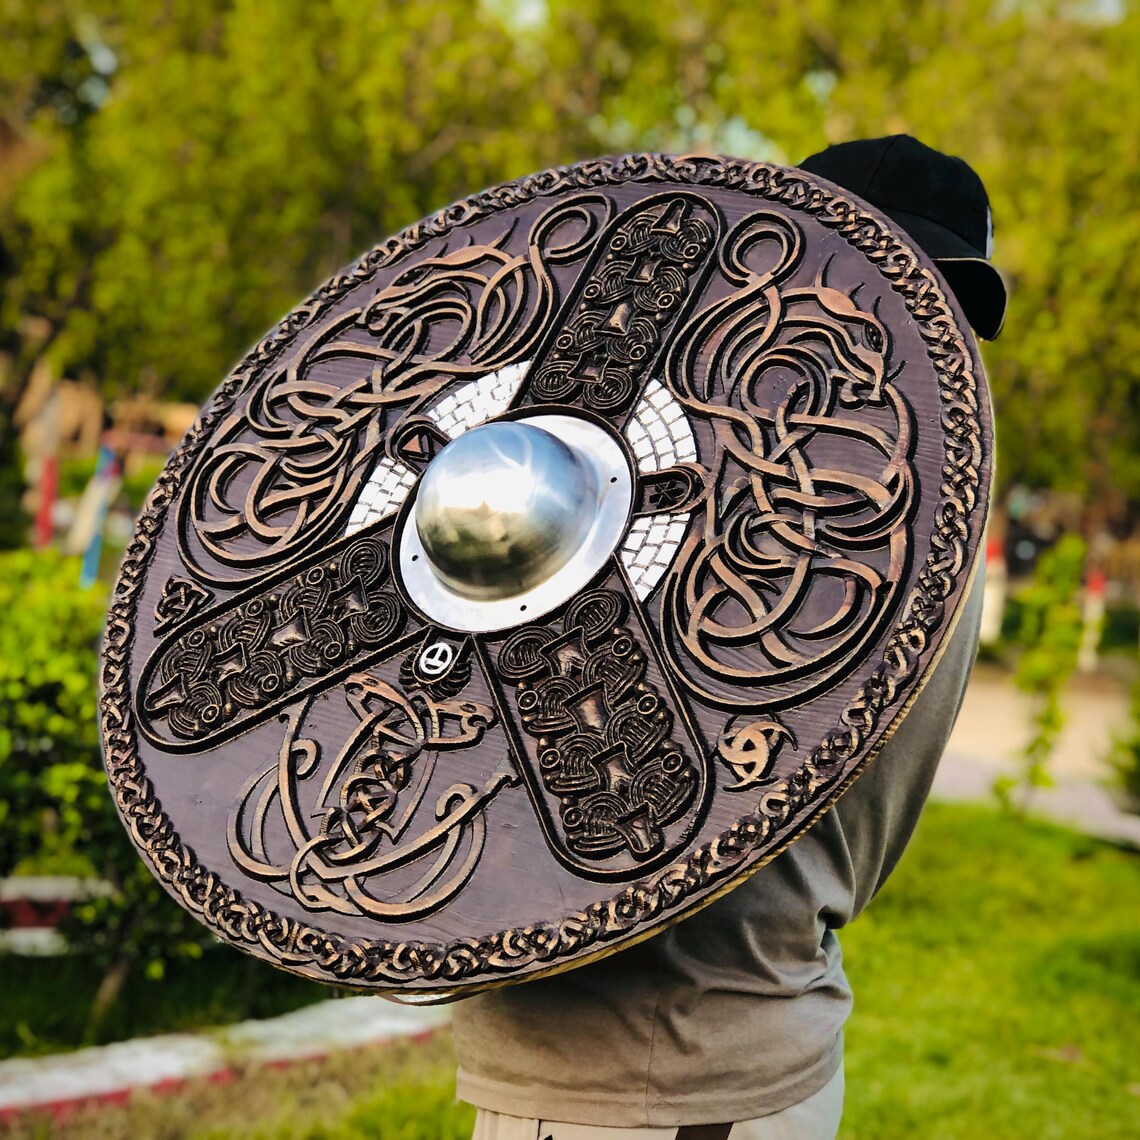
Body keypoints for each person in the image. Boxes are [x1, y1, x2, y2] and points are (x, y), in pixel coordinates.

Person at [452, 135, 1007, 1140]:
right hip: (734, 1050)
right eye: (862, 275)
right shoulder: (933, 527)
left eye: (930, 300)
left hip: (656, 1077)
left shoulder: (778, 525)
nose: (895, 322)